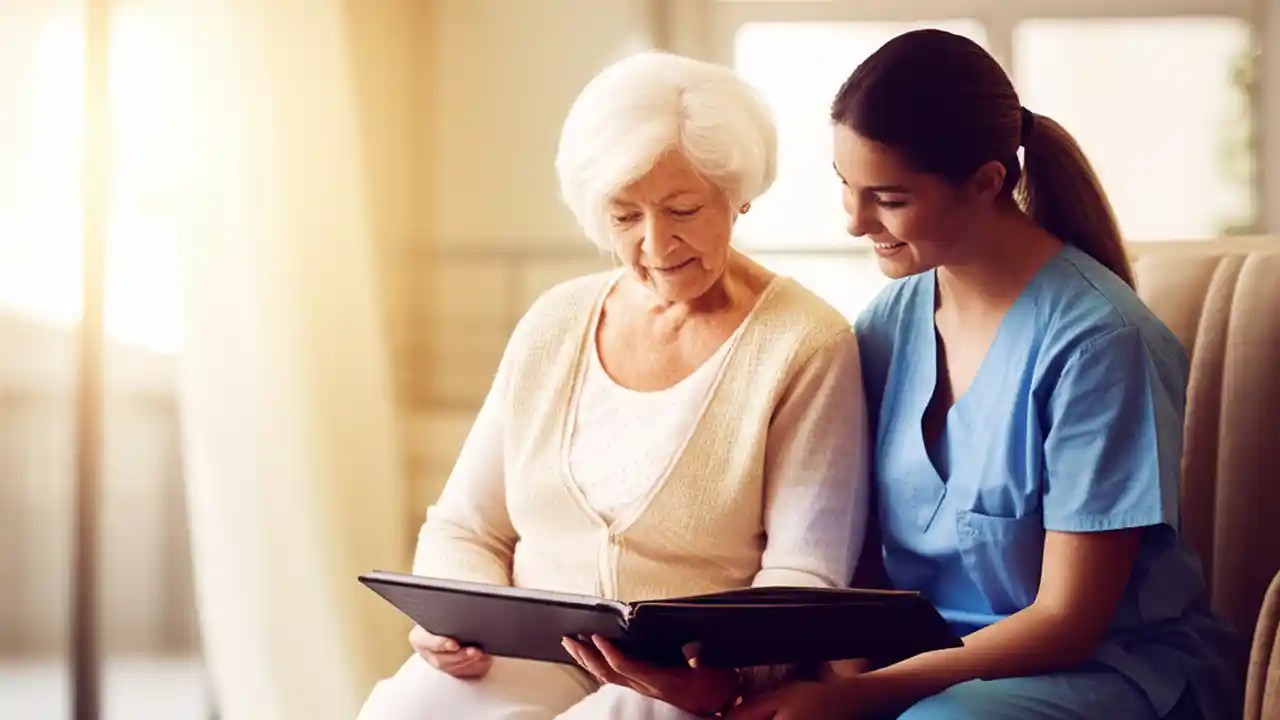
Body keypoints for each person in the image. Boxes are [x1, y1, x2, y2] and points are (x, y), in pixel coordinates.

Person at [727, 29, 1240, 720]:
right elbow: (857, 558)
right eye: (845, 185)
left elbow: (1068, 622)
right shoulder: (887, 324)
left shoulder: (1099, 344)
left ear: (987, 183)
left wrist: (862, 697)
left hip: (1106, 672)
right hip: (920, 670)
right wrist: (829, 680)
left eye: (889, 197)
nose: (854, 222)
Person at [357, 51, 870, 720]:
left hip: (685, 674)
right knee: (405, 710)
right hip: (535, 653)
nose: (657, 245)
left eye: (682, 209)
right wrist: (454, 619)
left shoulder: (806, 342)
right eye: (625, 218)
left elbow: (804, 574)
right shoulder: (554, 322)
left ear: (736, 192)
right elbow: (465, 527)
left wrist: (728, 676)